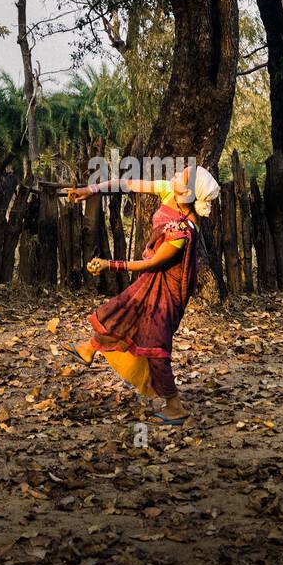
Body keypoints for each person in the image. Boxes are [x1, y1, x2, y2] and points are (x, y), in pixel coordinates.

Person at [63, 164, 220, 425]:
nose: (177, 174)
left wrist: (108, 264)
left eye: (183, 176)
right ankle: (89, 349)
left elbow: (153, 263)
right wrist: (90, 190)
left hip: (168, 293)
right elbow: (126, 185)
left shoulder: (184, 232)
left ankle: (175, 407)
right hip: (151, 282)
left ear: (190, 193)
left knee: (155, 347)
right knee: (123, 309)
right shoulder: (168, 191)